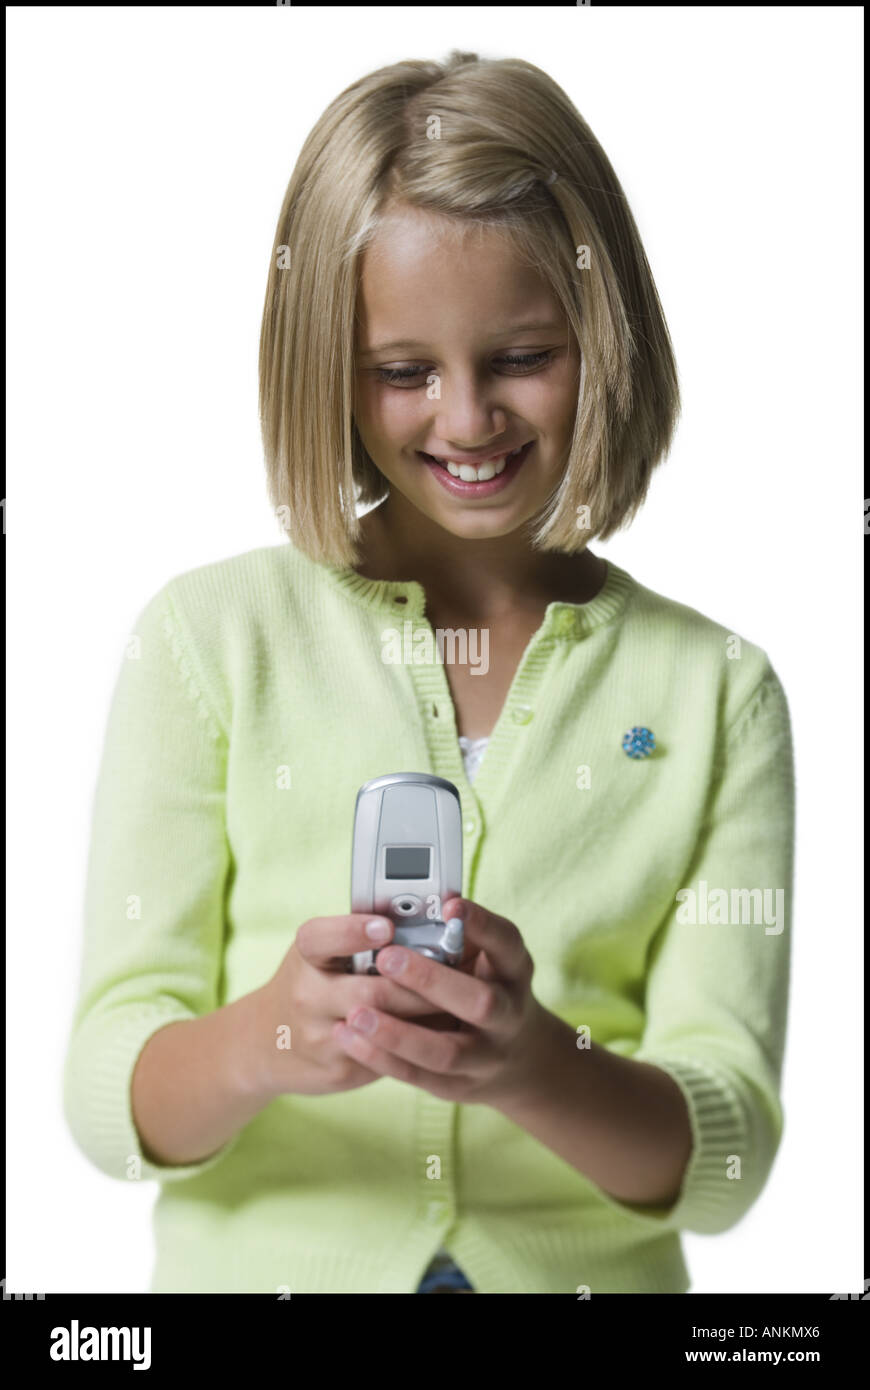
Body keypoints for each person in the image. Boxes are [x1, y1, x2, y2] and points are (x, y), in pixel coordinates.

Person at [63, 50, 795, 1295]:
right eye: (403, 371)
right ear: (326, 368)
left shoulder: (716, 692)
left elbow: (722, 1162)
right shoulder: (208, 639)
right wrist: (274, 1036)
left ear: (604, 336)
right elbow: (108, 1096)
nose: (464, 419)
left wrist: (533, 1061)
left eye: (520, 357)